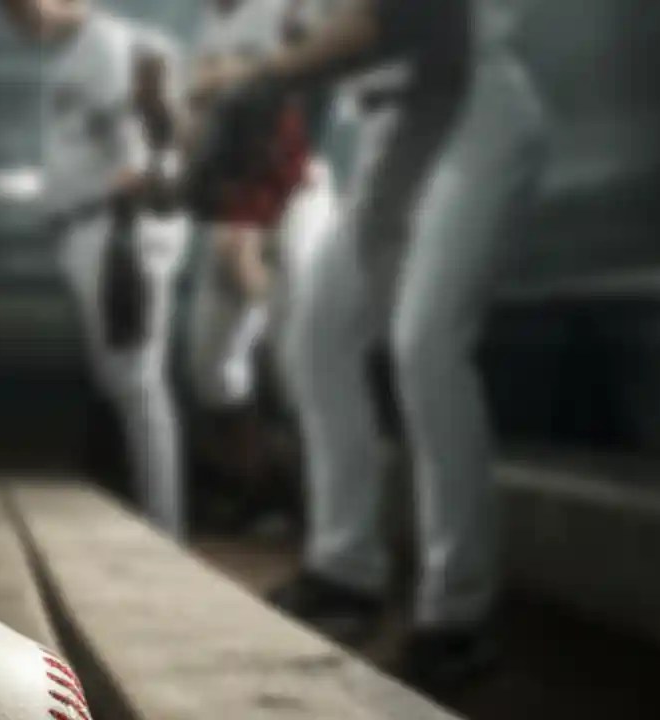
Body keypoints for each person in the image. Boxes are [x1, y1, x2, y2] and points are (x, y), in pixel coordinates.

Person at [202, 0, 549, 689]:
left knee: (428, 345)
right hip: (388, 128)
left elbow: (375, 23)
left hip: (468, 107)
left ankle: (457, 614)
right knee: (320, 335)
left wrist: (257, 72)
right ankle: (346, 571)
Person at [0, 0, 191, 539]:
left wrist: (128, 216)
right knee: (122, 382)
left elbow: (139, 154)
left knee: (138, 382)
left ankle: (165, 531)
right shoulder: (75, 51)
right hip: (95, 226)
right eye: (10, 10)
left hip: (117, 228)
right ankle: (152, 521)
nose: (23, 16)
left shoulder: (104, 45)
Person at [184, 0, 339, 525]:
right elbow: (205, 120)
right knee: (210, 364)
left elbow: (316, 81)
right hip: (236, 194)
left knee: (299, 350)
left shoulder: (286, 8)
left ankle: (315, 506)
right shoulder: (210, 24)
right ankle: (261, 482)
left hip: (294, 187)